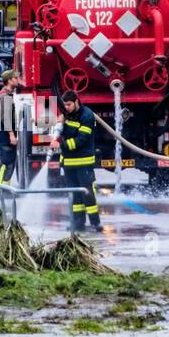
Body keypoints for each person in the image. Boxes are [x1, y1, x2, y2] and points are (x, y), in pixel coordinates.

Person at [50, 90, 102, 231]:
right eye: (65, 105)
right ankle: (78, 224)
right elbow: (65, 131)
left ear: (76, 102)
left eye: (69, 105)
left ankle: (96, 223)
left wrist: (61, 145)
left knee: (87, 193)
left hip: (83, 162)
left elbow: (81, 140)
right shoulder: (67, 114)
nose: (66, 107)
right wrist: (60, 125)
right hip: (68, 163)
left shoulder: (87, 116)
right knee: (75, 195)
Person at [0, 69, 20, 183]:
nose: (18, 80)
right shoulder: (5, 96)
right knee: (7, 160)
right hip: (4, 134)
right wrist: (11, 135)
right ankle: (0, 187)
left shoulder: (7, 94)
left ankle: (4, 186)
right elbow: (6, 118)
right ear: (9, 81)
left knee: (9, 160)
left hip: (4, 133)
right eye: (15, 78)